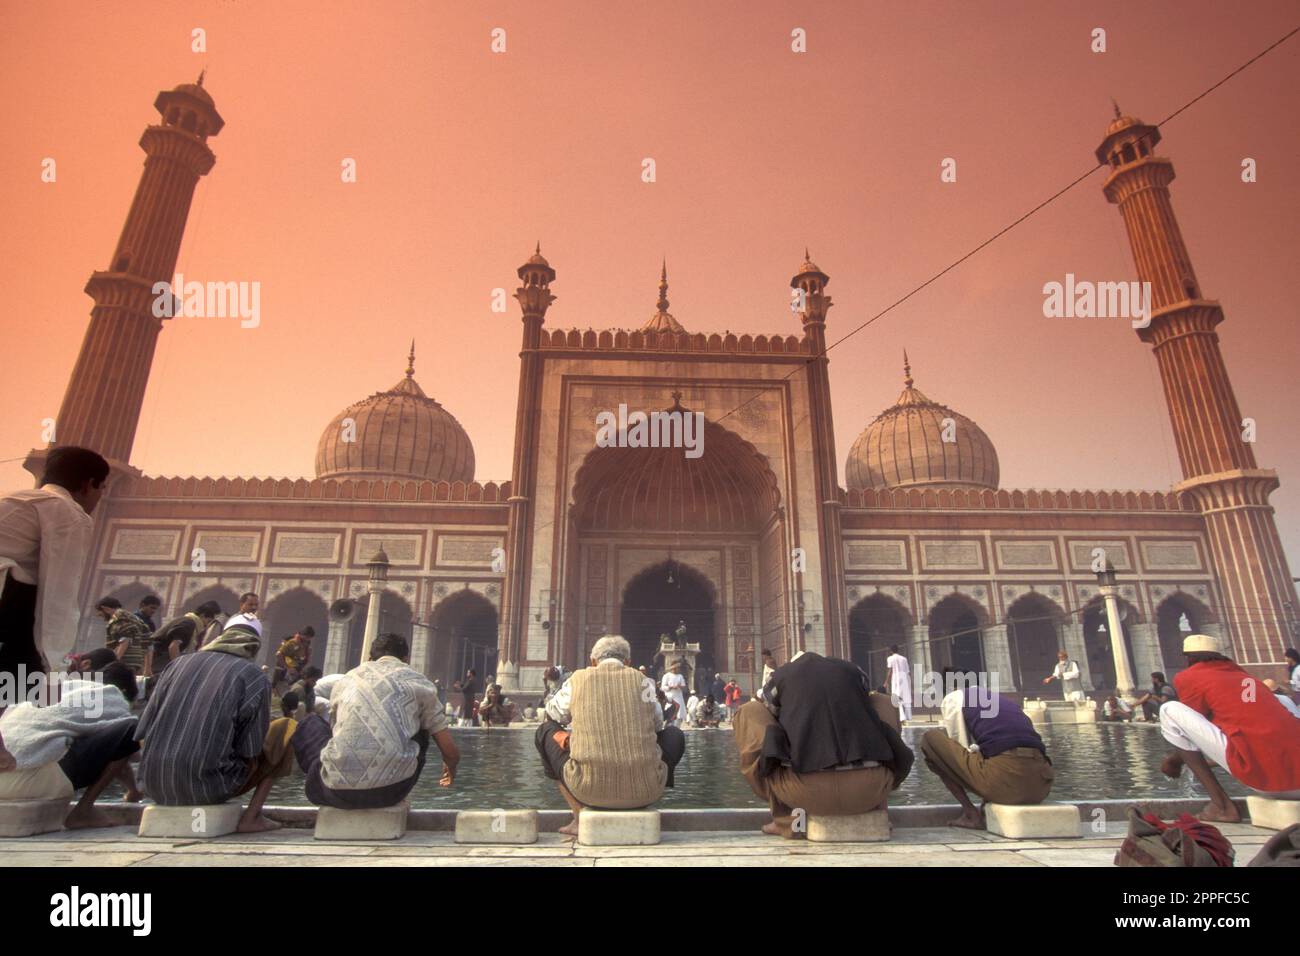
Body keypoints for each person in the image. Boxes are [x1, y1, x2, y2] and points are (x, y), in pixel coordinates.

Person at [134, 618, 290, 833]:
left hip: (152, 785)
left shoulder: (176, 665)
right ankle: (252, 817)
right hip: (209, 786)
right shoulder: (253, 676)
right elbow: (251, 748)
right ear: (253, 646)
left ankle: (131, 795)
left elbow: (142, 729)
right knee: (286, 728)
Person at [734, 652, 912, 838]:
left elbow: (765, 705)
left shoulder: (781, 676)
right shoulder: (852, 671)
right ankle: (879, 811)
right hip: (871, 790)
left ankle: (786, 820)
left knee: (749, 711)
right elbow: (865, 697)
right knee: (883, 701)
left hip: (804, 793)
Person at [536, 635, 685, 836]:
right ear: (628, 662)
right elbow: (658, 724)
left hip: (586, 788)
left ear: (593, 661)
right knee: (674, 735)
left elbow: (553, 713)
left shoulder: (577, 679)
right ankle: (639, 795)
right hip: (646, 789)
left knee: (545, 731)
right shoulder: (643, 681)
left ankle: (579, 816)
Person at [292, 632, 458, 809]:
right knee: (424, 723)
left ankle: (326, 776)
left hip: (333, 792)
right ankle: (396, 784)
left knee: (309, 723)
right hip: (391, 792)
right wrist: (451, 771)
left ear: (370, 657)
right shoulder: (420, 683)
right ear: (405, 658)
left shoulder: (347, 679)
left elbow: (335, 732)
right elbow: (450, 752)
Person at [0, 446, 107, 695]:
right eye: (102, 489)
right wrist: (54, 671)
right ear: (88, 484)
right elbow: (58, 596)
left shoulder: (15, 499)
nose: (100, 498)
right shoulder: (67, 512)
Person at [1159, 634, 1300, 823]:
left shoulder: (1189, 676)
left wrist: (1174, 760)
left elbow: (1192, 727)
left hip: (1269, 781)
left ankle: (1222, 806)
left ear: (1189, 658)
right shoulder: (1246, 679)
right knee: (1282, 700)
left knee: (1169, 710)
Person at [0, 662, 142, 827]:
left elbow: (110, 747)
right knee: (132, 726)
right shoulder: (110, 694)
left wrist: (133, 790)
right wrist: (134, 791)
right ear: (124, 692)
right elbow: (125, 745)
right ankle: (83, 811)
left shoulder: (64, 689)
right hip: (31, 781)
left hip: (5, 775)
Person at [920, 669, 1055, 829]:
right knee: (992, 752)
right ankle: (988, 800)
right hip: (1041, 786)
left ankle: (971, 814)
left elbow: (958, 749)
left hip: (1007, 782)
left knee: (932, 743)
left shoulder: (954, 698)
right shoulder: (999, 699)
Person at [146, 601, 221, 679]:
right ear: (202, 615)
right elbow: (173, 646)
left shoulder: (188, 621)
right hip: (155, 660)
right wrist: (177, 669)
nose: (207, 625)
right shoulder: (189, 624)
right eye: (208, 621)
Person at [94, 597, 151, 676]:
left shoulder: (118, 617)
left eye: (101, 613)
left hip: (124, 662)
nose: (101, 616)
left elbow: (125, 639)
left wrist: (115, 661)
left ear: (105, 609)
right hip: (136, 662)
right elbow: (148, 644)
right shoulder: (136, 619)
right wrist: (147, 668)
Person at [273, 627, 314, 691]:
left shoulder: (306, 644)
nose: (308, 639)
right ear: (303, 635)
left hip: (297, 670)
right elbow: (279, 654)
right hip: (286, 671)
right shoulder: (293, 643)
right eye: (307, 637)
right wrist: (288, 668)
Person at [885, 644, 913, 722]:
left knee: (897, 697)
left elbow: (890, 671)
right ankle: (909, 716)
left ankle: (902, 717)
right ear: (898, 650)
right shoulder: (904, 659)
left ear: (891, 651)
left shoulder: (890, 658)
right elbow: (908, 672)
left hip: (896, 679)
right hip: (904, 678)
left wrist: (886, 682)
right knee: (906, 697)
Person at [660, 660, 687, 727]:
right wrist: (671, 687)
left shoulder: (680, 676)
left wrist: (679, 686)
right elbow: (663, 687)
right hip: (670, 698)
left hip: (678, 697)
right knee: (670, 714)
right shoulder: (666, 676)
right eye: (677, 667)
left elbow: (683, 686)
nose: (678, 669)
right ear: (673, 668)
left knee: (679, 716)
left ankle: (677, 730)